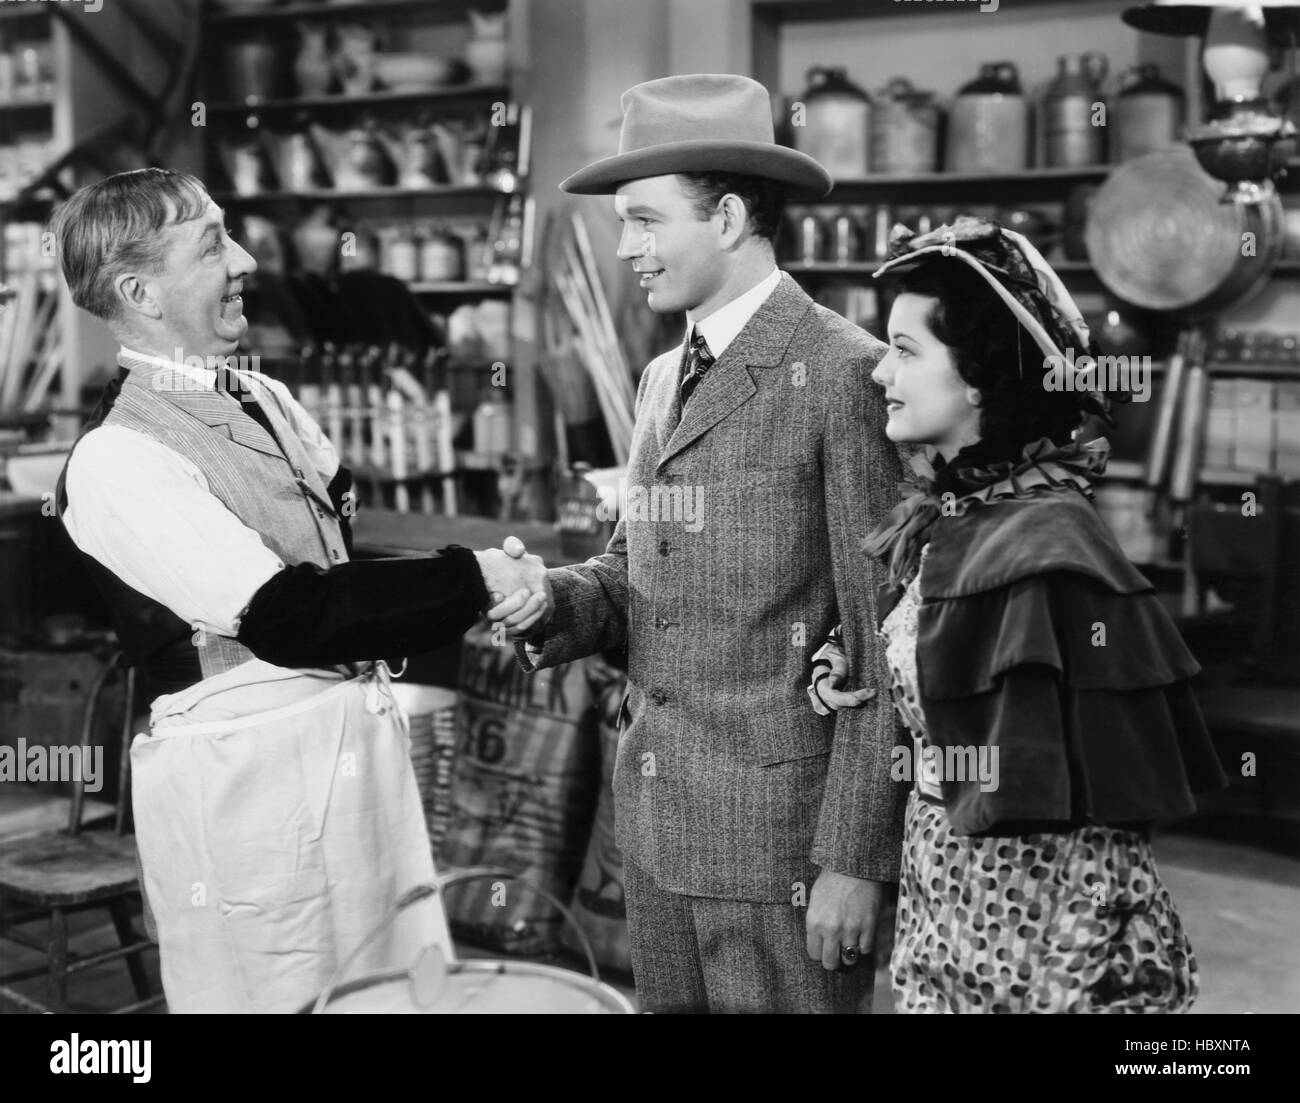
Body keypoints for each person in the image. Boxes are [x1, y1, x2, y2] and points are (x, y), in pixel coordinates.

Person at [52, 168, 548, 1012]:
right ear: (139, 290)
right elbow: (290, 613)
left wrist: (479, 585)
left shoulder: (265, 398)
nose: (244, 259)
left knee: (390, 990)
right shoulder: (115, 461)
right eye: (212, 245)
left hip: (348, 758)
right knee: (280, 990)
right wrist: (471, 577)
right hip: (247, 785)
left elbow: (336, 572)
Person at [490, 74, 906, 1014]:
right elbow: (631, 572)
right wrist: (549, 597)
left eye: (643, 220)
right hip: (653, 830)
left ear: (724, 218)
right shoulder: (657, 379)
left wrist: (854, 860)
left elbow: (881, 643)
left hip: (782, 853)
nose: (626, 247)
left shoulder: (844, 372)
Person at [808, 216, 1228, 1013]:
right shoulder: (962, 514)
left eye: (906, 349)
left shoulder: (1047, 545)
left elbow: (1098, 825)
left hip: (1024, 932)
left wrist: (1056, 979)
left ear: (978, 380)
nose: (878, 373)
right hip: (950, 900)